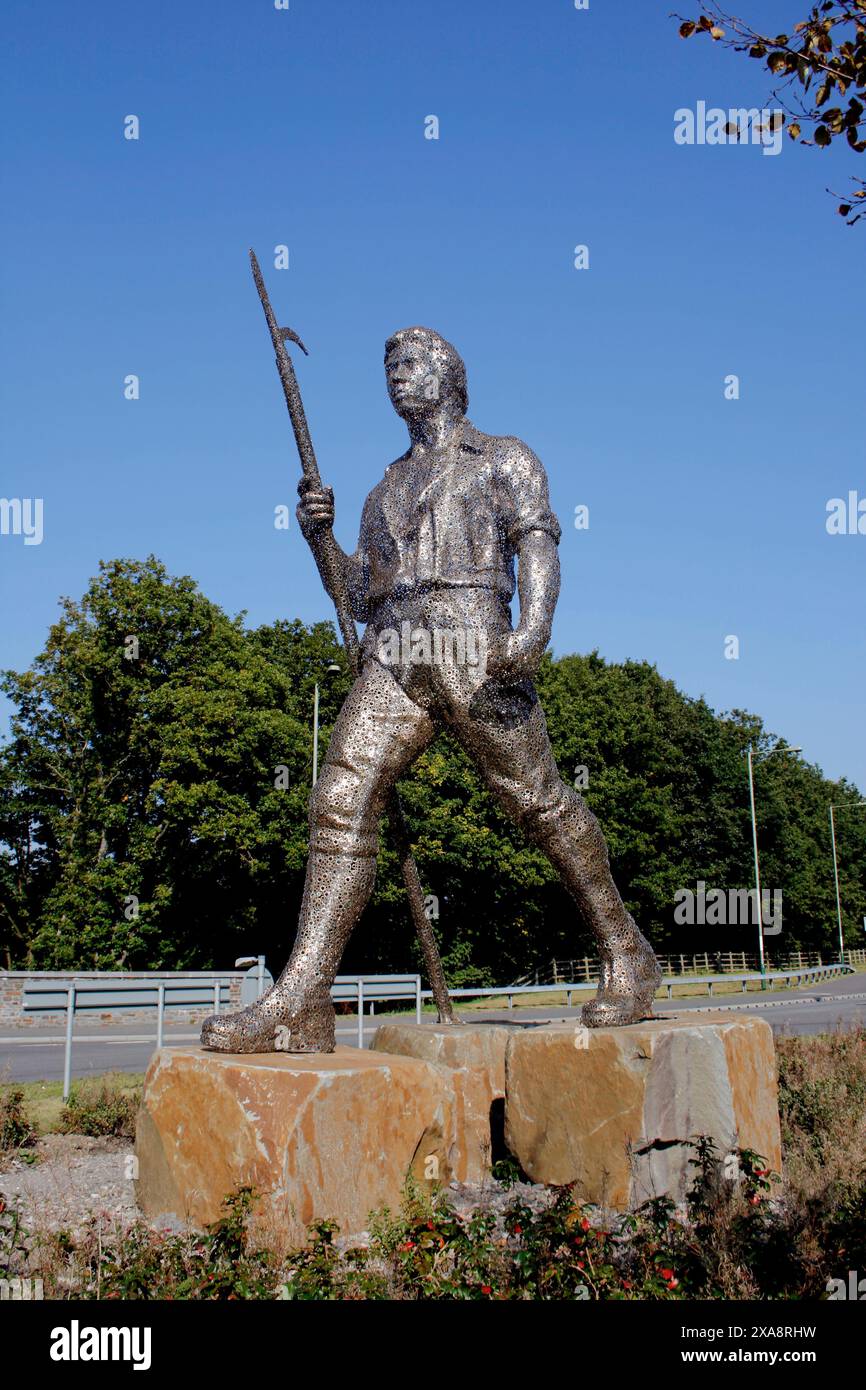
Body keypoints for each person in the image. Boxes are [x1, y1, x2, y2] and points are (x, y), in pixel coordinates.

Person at [201, 327, 660, 1053]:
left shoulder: (504, 456)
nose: (396, 378)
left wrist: (534, 627)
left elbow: (537, 543)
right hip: (396, 648)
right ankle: (303, 999)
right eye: (388, 369)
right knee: (340, 799)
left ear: (449, 374)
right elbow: (356, 594)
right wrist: (318, 539)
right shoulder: (384, 489)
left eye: (410, 364)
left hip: (474, 639)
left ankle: (627, 952)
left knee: (535, 801)